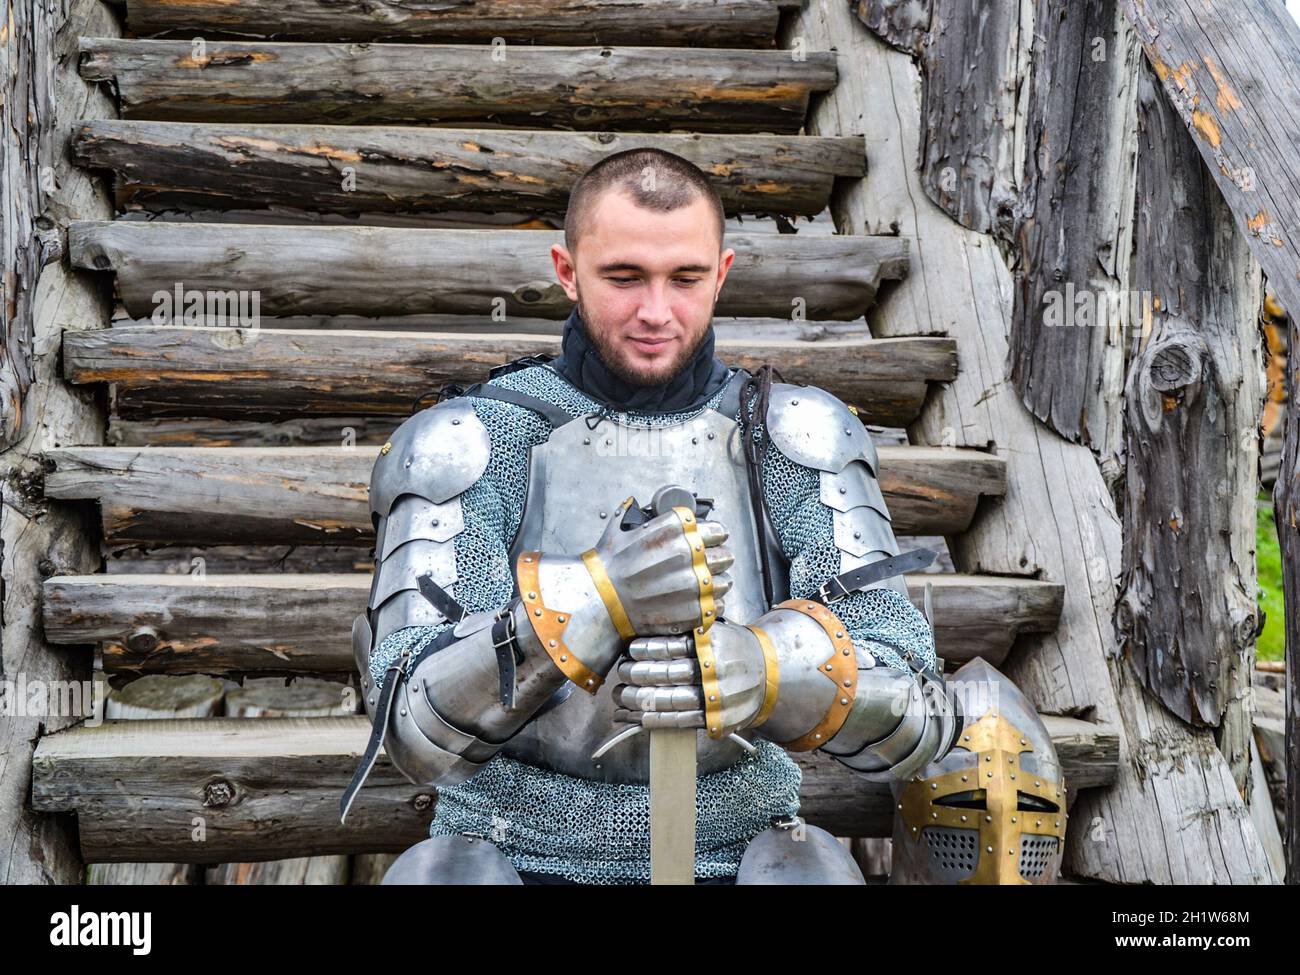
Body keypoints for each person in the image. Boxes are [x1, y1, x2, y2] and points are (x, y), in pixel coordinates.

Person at [343, 147, 960, 884]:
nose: (656, 312)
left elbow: (917, 710)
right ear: (567, 270)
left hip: (740, 844)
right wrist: (589, 601)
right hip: (509, 844)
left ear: (722, 273)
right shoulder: (473, 440)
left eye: (686, 278)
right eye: (625, 277)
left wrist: (769, 667)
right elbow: (410, 721)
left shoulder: (793, 434)